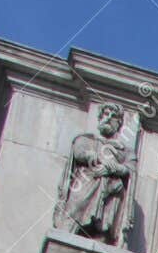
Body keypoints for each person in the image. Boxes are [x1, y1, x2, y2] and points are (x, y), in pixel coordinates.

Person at [55, 103, 130, 244]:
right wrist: (100, 159)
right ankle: (63, 240)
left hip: (108, 190)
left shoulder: (122, 149)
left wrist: (113, 168)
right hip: (85, 182)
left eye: (113, 116)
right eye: (105, 114)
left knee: (102, 227)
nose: (107, 118)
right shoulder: (86, 138)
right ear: (99, 117)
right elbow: (79, 152)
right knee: (73, 212)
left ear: (119, 123)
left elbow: (129, 169)